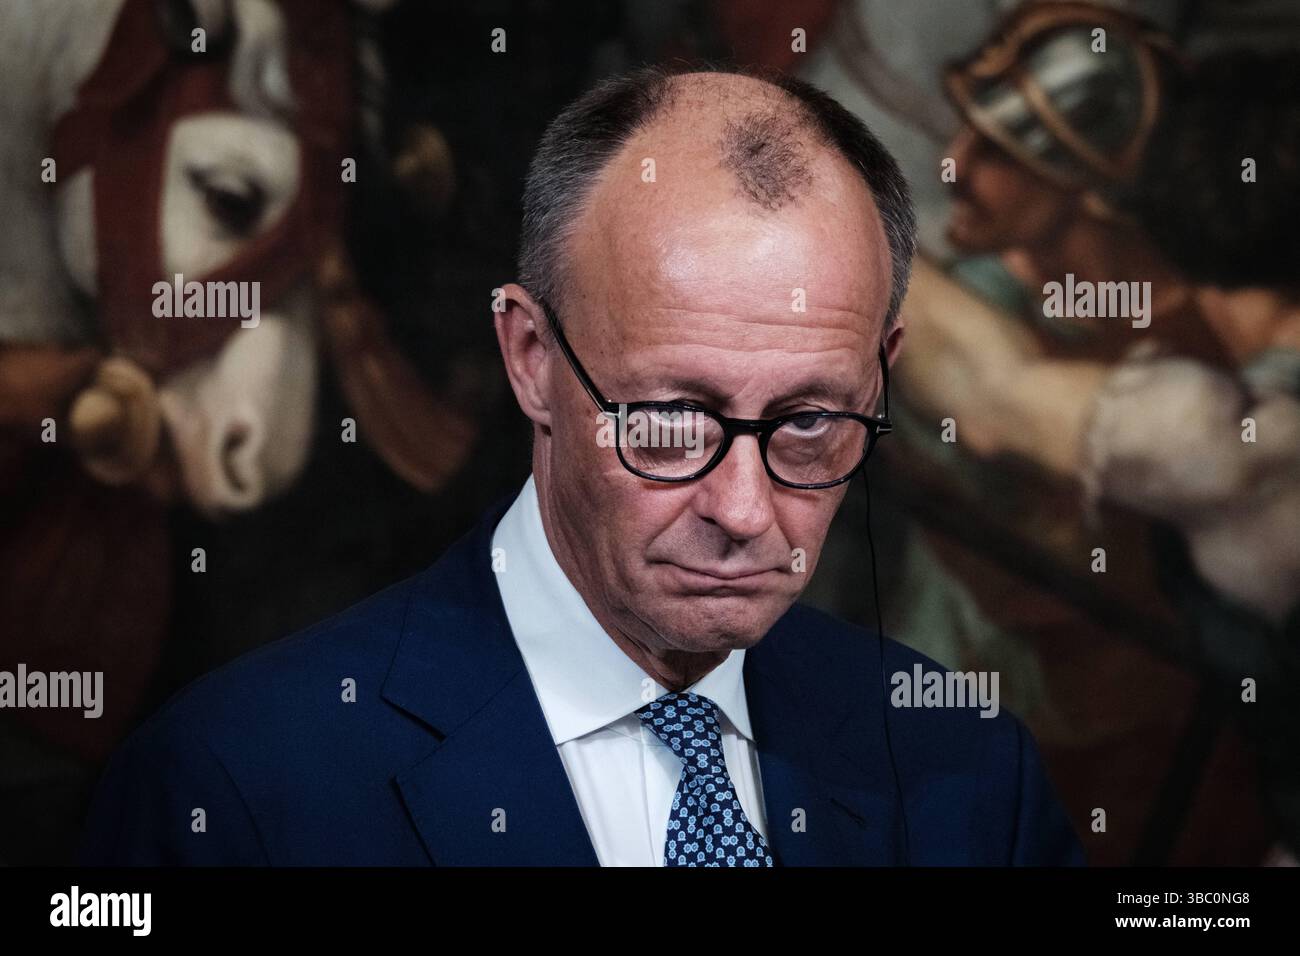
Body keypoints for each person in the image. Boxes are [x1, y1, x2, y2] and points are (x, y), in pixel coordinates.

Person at [78, 64, 1083, 867]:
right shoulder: (237, 786)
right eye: (669, 419)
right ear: (530, 358)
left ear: (881, 377)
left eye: (809, 422)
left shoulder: (969, 773)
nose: (743, 509)